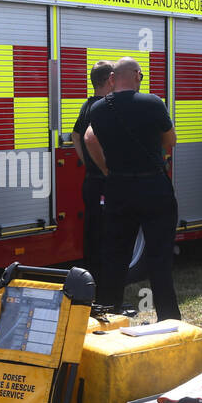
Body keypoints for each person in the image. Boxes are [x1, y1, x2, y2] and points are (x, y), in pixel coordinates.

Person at [84, 58, 180, 321]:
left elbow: (90, 139)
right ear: (137, 76)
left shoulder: (99, 109)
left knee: (114, 258)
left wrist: (107, 170)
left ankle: (107, 319)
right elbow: (170, 140)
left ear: (113, 78)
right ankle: (170, 320)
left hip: (118, 188)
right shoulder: (153, 103)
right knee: (160, 259)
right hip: (153, 187)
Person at [71, 60, 115, 280]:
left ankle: (89, 279)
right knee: (108, 233)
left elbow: (76, 136)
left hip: (91, 180)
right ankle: (103, 280)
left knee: (92, 231)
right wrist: (104, 167)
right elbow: (89, 137)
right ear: (110, 80)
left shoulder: (87, 105)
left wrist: (86, 160)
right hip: (104, 181)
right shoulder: (107, 107)